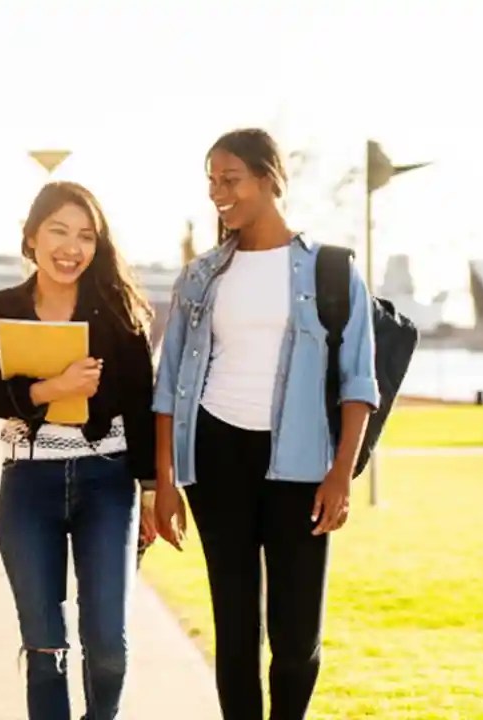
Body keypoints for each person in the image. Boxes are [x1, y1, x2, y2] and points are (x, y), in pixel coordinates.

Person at [150, 128, 380, 720]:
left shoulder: (331, 271)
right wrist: (166, 481)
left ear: (269, 180)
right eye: (212, 182)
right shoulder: (201, 276)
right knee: (234, 625)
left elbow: (358, 382)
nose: (218, 193)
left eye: (231, 180)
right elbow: (170, 382)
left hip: (301, 463)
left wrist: (342, 474)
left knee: (297, 634)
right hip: (217, 456)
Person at [0, 181, 159, 720]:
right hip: (30, 485)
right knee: (44, 645)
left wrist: (149, 490)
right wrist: (53, 388)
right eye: (58, 231)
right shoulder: (2, 307)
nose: (71, 247)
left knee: (107, 645)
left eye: (85, 236)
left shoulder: (119, 313)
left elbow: (144, 409)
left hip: (107, 482)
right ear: (31, 237)